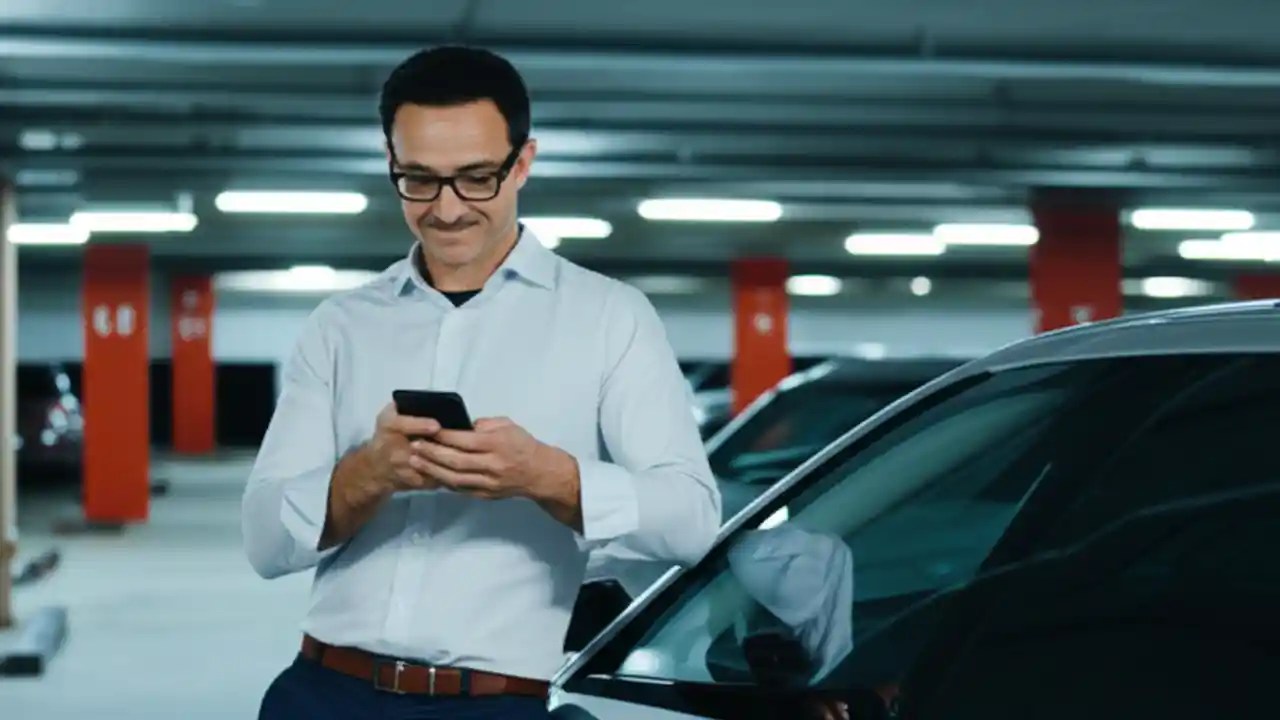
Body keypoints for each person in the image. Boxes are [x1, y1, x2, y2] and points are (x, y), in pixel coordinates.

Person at [241, 45, 721, 719]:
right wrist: (368, 474)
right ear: (391, 164)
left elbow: (691, 519)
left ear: (522, 163)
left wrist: (548, 475)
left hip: (494, 705)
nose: (446, 209)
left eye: (475, 178)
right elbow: (264, 541)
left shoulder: (610, 318)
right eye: (418, 179)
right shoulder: (342, 325)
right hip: (321, 693)